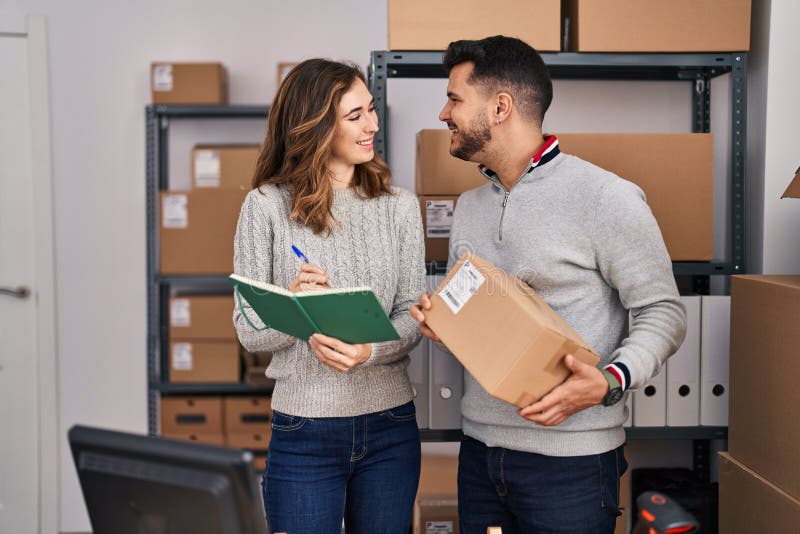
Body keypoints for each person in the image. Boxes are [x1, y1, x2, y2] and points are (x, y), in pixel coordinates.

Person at [409, 36, 687, 534]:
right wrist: (445, 323)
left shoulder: (607, 198)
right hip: (479, 455)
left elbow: (663, 312)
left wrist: (611, 380)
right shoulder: (469, 207)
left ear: (500, 107)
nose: (443, 113)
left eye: (454, 99)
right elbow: (485, 322)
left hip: (571, 465)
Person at [233, 58, 425, 534]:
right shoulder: (265, 207)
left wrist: (369, 350)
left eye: (372, 110)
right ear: (317, 127)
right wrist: (294, 310)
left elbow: (413, 316)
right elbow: (248, 332)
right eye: (355, 115)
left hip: (390, 426)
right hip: (304, 429)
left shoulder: (399, 207)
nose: (373, 125)